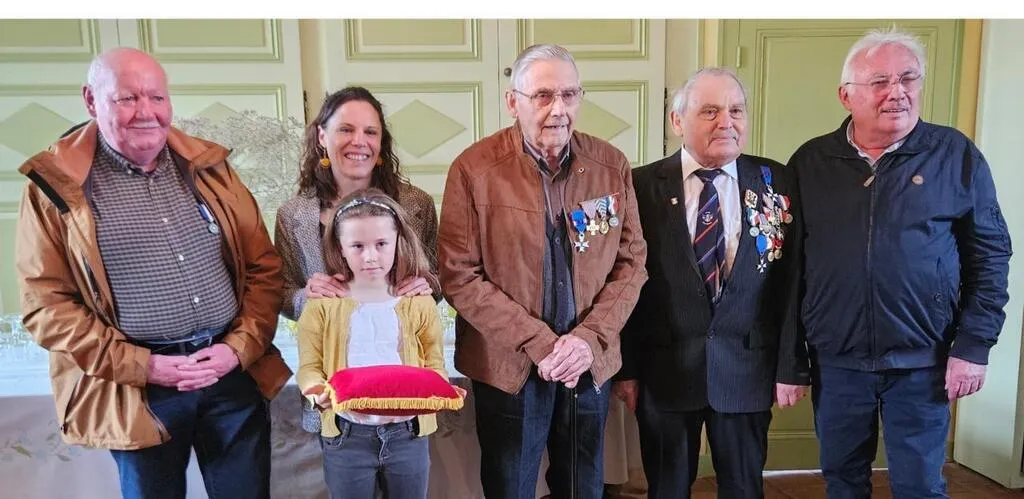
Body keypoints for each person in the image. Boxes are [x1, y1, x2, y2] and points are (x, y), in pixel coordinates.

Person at [14, 47, 291, 498]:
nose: (147, 112)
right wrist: (147, 366)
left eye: (156, 98)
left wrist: (237, 350)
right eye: (127, 98)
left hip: (229, 376)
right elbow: (46, 307)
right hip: (140, 390)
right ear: (91, 100)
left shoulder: (210, 167)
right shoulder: (55, 189)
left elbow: (264, 268)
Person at [788, 29, 1012, 498]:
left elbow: (990, 256)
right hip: (838, 360)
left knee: (920, 487)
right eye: (880, 81)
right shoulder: (811, 162)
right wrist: (792, 359)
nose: (898, 91)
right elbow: (789, 270)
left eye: (909, 78)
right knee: (843, 482)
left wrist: (973, 346)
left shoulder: (956, 155)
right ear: (846, 95)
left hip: (923, 361)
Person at [438, 43, 648, 499]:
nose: (559, 109)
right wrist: (542, 343)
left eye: (570, 95)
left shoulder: (611, 166)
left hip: (586, 364)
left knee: (582, 487)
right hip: (509, 366)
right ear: (513, 101)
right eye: (543, 96)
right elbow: (458, 274)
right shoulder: (473, 170)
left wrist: (587, 341)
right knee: (510, 486)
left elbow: (632, 263)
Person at [613, 67, 809, 499]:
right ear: (677, 121)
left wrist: (791, 366)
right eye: (710, 111)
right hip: (664, 371)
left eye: (736, 110)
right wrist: (625, 369)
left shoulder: (777, 181)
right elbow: (623, 282)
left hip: (748, 370)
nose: (727, 122)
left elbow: (792, 280)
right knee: (666, 489)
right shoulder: (640, 186)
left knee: (743, 489)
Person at [274, 86, 438, 432]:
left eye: (370, 131)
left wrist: (428, 283)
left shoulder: (416, 205)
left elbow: (437, 278)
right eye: (345, 129)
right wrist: (306, 294)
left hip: (402, 392)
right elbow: (280, 291)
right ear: (322, 136)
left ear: (381, 143)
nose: (358, 141)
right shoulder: (294, 214)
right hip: (334, 399)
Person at [295, 187, 455, 499]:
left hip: (407, 436)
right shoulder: (323, 304)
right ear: (340, 248)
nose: (370, 256)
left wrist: (438, 388)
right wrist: (318, 393)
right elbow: (309, 367)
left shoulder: (417, 302)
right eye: (357, 246)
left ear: (398, 242)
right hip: (347, 438)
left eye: (381, 244)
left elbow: (434, 362)